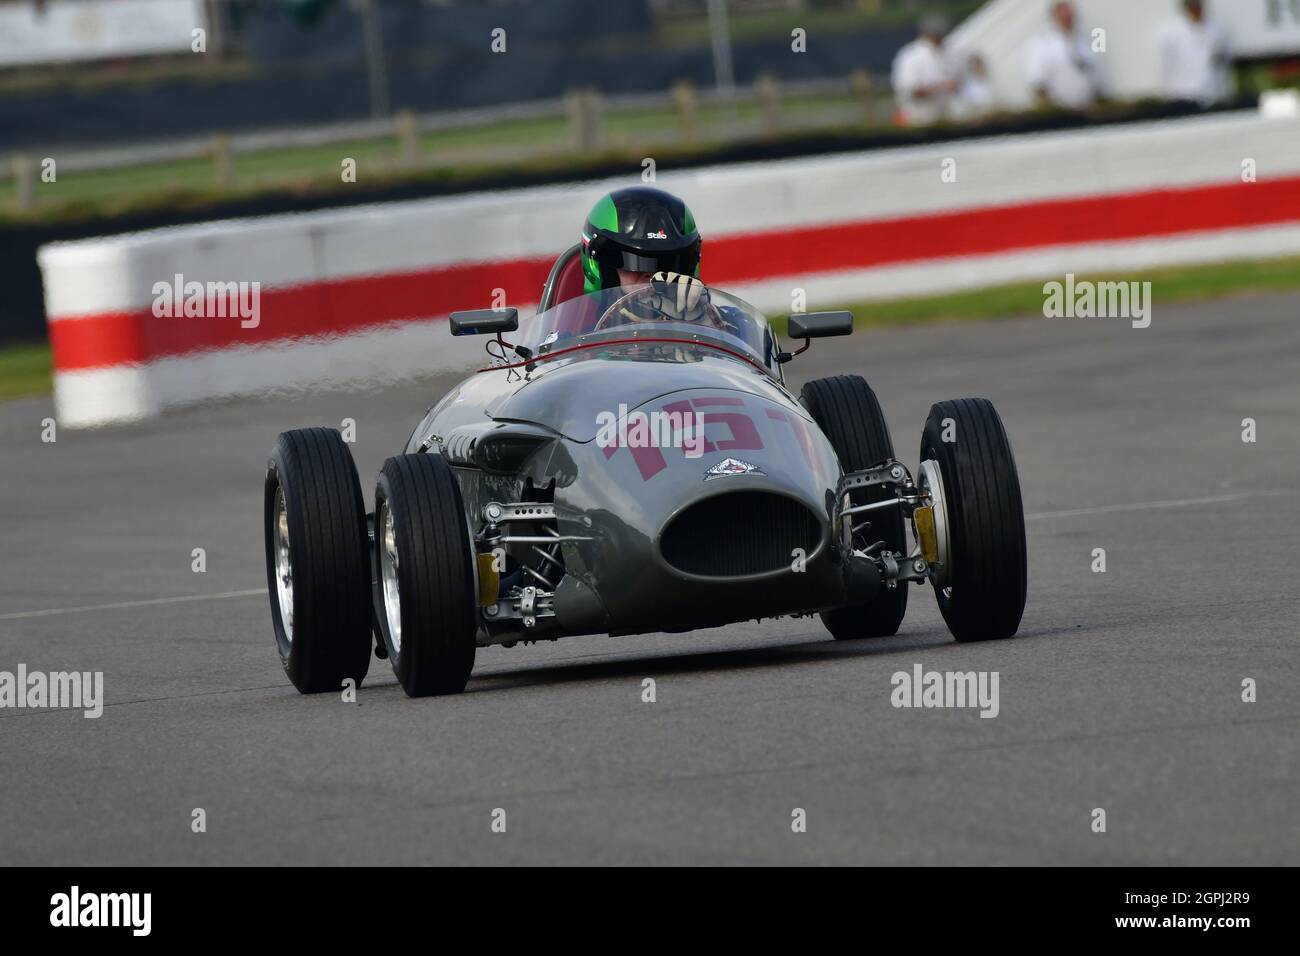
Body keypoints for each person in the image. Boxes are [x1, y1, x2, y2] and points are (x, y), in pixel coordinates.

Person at [581, 186, 702, 294]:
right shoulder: (577, 318)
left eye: (667, 263)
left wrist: (702, 315)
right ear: (602, 267)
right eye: (636, 264)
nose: (654, 277)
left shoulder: (708, 315)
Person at [1026, 1, 1103, 110]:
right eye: (1064, 16)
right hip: (1060, 113)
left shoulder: (1084, 43)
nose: (1068, 19)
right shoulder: (1042, 44)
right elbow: (1037, 82)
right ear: (1054, 17)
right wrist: (1052, 110)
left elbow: (1095, 76)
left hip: (1087, 109)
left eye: (1070, 15)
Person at [1160, 0, 1231, 107]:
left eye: (1198, 6)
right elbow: (1166, 66)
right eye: (1192, 7)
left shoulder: (1217, 31)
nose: (1196, 10)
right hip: (1182, 95)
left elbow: (1224, 58)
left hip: (1211, 94)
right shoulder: (1172, 34)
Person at [891, 13, 959, 126]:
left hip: (947, 115)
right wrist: (942, 87)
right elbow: (911, 91)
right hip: (918, 118)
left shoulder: (951, 52)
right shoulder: (910, 55)